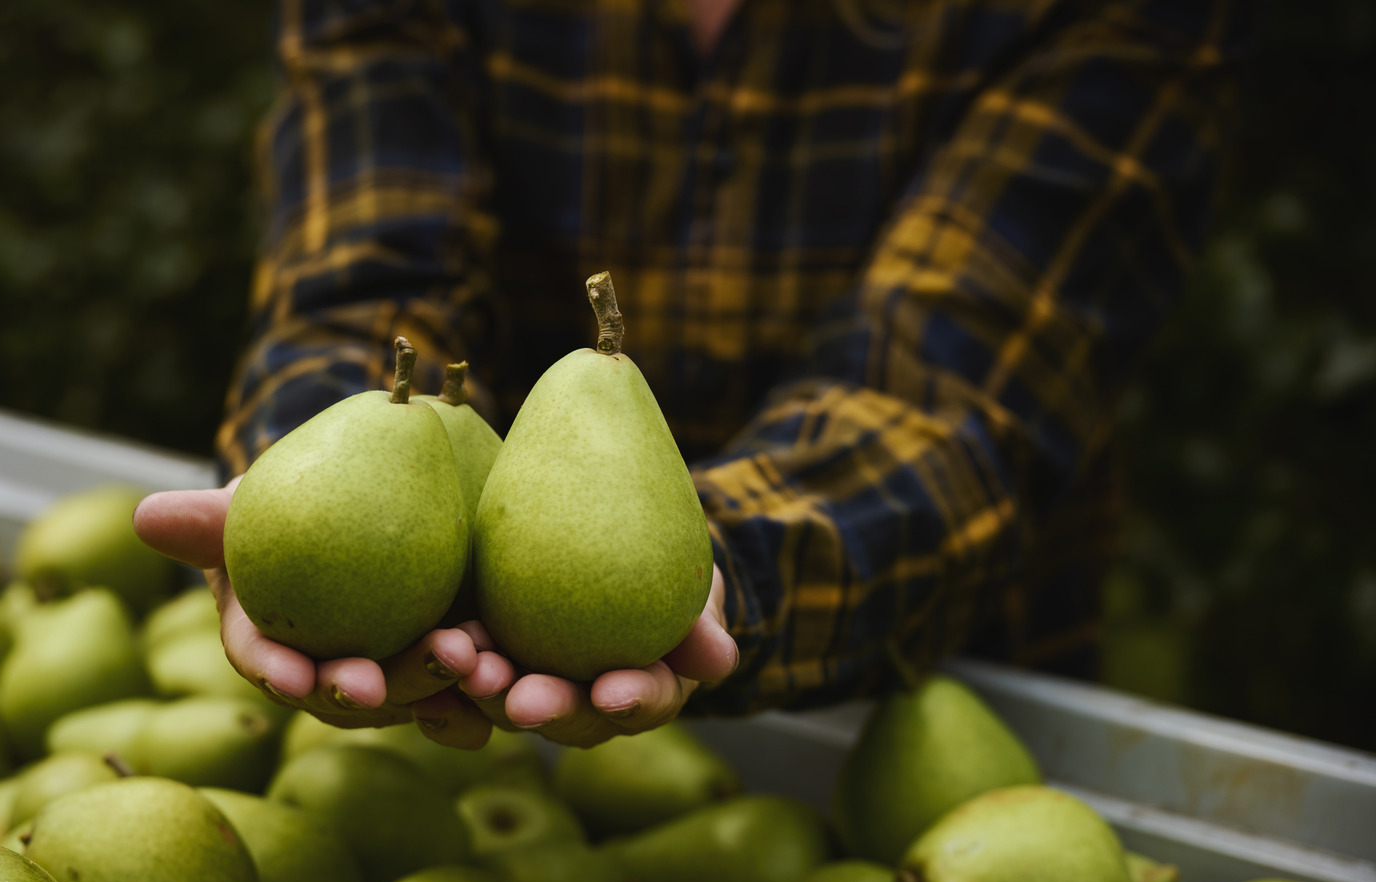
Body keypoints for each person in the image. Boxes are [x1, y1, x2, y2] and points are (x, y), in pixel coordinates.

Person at [133, 0, 1249, 749]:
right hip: (456, 712)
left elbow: (951, 391)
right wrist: (303, 483)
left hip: (922, 700)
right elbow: (366, 276)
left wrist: (716, 576)